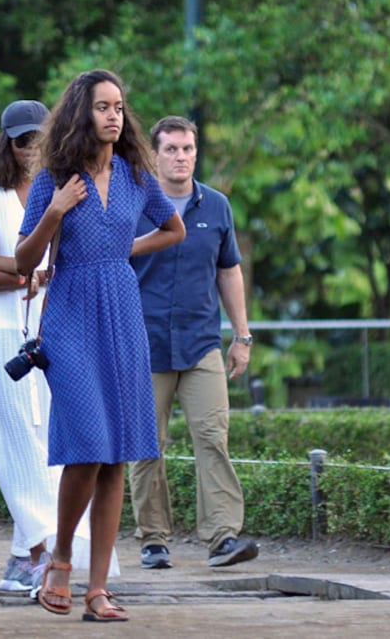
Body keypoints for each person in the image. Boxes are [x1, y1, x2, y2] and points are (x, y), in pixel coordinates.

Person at [14, 69, 185, 622]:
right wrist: (57, 211)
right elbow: (22, 259)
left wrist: (124, 249)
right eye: (102, 107)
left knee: (117, 453)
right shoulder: (54, 176)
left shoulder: (137, 173)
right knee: (89, 442)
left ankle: (97, 590)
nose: (114, 115)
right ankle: (60, 559)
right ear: (81, 114)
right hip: (68, 312)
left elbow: (174, 227)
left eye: (118, 106)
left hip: (122, 311)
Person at [0, 99, 119, 593]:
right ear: (6, 144)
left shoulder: (70, 185)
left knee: (51, 441)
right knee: (16, 443)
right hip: (2, 330)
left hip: (58, 328)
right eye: (20, 140)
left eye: (38, 138)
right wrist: (25, 276)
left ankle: (24, 555)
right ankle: (40, 551)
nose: (30, 148)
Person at [128, 115, 260, 569]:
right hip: (144, 344)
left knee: (212, 437)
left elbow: (229, 271)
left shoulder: (217, 206)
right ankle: (153, 539)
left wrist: (241, 335)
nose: (181, 157)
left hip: (201, 342)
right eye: (171, 149)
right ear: (155, 153)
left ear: (196, 153)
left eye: (188, 149)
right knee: (148, 444)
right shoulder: (133, 203)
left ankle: (223, 536)